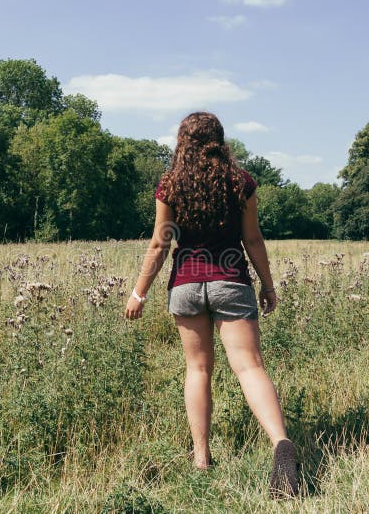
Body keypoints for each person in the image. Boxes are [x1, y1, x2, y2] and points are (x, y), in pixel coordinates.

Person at [124, 111, 299, 498]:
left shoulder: (171, 184)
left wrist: (139, 292)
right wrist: (268, 286)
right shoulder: (240, 182)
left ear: (182, 141)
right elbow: (253, 240)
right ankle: (280, 444)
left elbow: (160, 242)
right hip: (231, 280)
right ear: (220, 140)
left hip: (185, 285)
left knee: (198, 369)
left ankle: (202, 459)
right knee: (250, 367)